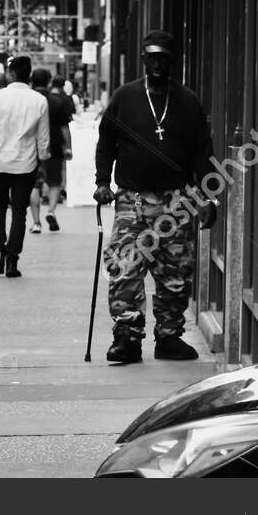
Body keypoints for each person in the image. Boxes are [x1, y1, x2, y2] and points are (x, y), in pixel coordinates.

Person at [94, 30, 215, 364]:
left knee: (175, 272)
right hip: (132, 200)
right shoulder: (125, 96)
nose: (158, 63)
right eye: (152, 57)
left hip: (176, 201)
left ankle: (169, 337)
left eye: (164, 57)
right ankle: (127, 338)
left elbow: (202, 154)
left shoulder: (187, 101)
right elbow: (106, 143)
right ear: (144, 59)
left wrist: (207, 196)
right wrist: (103, 181)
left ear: (172, 60)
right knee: (125, 267)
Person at [0, 55, 50, 278]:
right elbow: (43, 139)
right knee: (19, 212)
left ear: (11, 73)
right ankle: (12, 259)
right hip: (26, 164)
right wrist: (43, 163)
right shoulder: (39, 101)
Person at [33, 68, 76, 231]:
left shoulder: (29, 101)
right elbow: (65, 128)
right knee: (55, 182)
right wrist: (69, 147)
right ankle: (51, 210)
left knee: (34, 185)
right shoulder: (57, 101)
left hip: (32, 148)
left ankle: (36, 222)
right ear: (49, 81)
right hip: (55, 146)